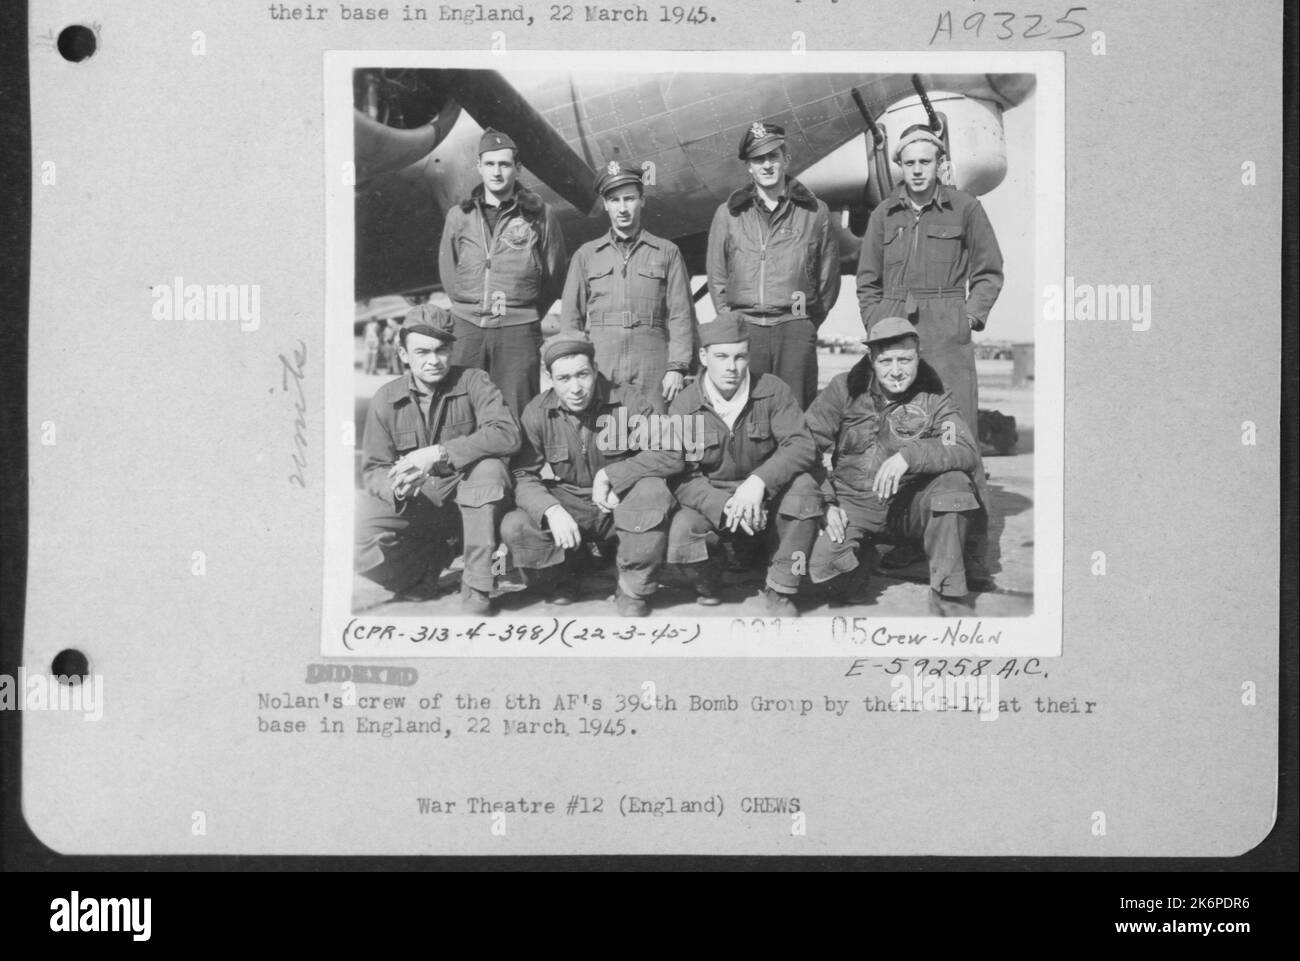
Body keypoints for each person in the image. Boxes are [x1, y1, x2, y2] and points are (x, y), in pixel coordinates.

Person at [855, 123, 1003, 579]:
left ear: (939, 164)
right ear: (899, 167)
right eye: (909, 163)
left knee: (958, 437)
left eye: (925, 162)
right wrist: (879, 325)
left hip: (945, 328)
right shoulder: (884, 213)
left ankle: (972, 550)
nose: (918, 171)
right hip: (895, 329)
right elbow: (867, 280)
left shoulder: (966, 208)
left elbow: (988, 272)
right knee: (900, 434)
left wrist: (968, 318)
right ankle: (910, 541)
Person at [802, 316, 984, 615]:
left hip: (905, 508)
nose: (897, 371)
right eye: (886, 361)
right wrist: (825, 501)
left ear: (918, 357)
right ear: (872, 359)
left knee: (954, 486)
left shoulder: (934, 397)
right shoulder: (842, 389)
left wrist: (910, 455)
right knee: (820, 574)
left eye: (905, 360)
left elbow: (963, 447)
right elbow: (804, 447)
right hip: (852, 504)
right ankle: (862, 560)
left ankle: (947, 594)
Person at [354, 305, 520, 615]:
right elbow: (375, 468)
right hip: (418, 504)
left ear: (452, 349)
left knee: (490, 469)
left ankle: (477, 584)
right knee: (347, 524)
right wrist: (397, 489)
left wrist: (439, 453)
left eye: (441, 350)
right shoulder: (385, 399)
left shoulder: (474, 382)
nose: (433, 360)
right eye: (422, 352)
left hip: (470, 503)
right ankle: (418, 575)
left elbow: (506, 434)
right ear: (403, 354)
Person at [501, 334, 680, 616]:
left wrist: (613, 473)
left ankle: (632, 585)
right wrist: (551, 510)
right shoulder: (537, 412)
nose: (576, 388)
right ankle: (565, 575)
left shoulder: (627, 401)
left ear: (595, 369)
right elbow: (523, 474)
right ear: (550, 378)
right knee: (516, 524)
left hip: (617, 503)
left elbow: (670, 452)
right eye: (564, 379)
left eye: (583, 375)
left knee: (653, 491)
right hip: (571, 504)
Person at [665, 312, 822, 616]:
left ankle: (781, 587)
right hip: (714, 501)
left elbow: (801, 445)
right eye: (721, 356)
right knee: (682, 530)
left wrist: (759, 482)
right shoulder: (685, 404)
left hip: (765, 496)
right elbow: (682, 475)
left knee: (804, 490)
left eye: (739, 357)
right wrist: (722, 505)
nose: (731, 367)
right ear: (703, 355)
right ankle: (709, 579)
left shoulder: (772, 389)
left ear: (748, 356)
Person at [706, 121, 840, 408]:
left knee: (794, 415)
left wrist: (804, 324)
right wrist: (733, 323)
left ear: (786, 160)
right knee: (745, 416)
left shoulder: (815, 212)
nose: (766, 165)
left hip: (794, 328)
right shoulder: (728, 214)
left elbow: (828, 280)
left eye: (773, 157)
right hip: (745, 328)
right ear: (748, 167)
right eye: (758, 159)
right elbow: (717, 278)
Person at [438, 128, 568, 418]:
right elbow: (449, 270)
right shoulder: (459, 216)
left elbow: (554, 271)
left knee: (517, 409)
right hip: (467, 329)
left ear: (517, 168)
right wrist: (468, 305)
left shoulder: (541, 215)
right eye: (490, 164)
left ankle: (519, 466)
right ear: (479, 167)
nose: (497, 172)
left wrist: (523, 311)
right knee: (461, 409)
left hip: (517, 331)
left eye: (505, 164)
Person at [560, 160, 695, 402]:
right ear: (605, 204)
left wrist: (677, 367)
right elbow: (571, 318)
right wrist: (574, 369)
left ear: (642, 200)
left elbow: (681, 314)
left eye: (629, 199)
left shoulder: (667, 252)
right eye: (614, 200)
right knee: (604, 434)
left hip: (652, 362)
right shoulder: (586, 255)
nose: (622, 208)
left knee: (655, 433)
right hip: (602, 361)